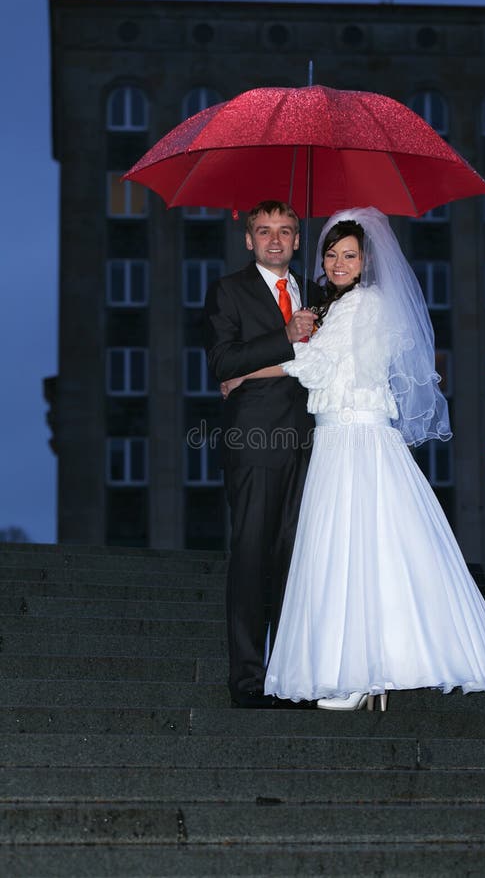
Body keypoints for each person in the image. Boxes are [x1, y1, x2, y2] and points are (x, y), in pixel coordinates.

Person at [224, 207, 485, 711]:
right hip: (337, 440)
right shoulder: (337, 307)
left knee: (356, 553)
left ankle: (362, 674)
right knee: (349, 555)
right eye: (332, 255)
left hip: (354, 440)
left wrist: (247, 372)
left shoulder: (364, 304)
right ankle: (360, 673)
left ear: (367, 262)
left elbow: (314, 367)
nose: (338, 264)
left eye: (350, 256)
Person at [203, 200, 319, 708]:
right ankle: (249, 680)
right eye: (265, 231)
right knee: (252, 554)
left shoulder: (318, 293)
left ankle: (291, 676)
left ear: (297, 240)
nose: (275, 240)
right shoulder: (228, 290)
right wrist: (285, 338)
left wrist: (254, 370)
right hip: (254, 439)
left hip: (314, 441)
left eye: (286, 231)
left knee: (297, 558)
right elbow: (222, 362)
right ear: (249, 240)